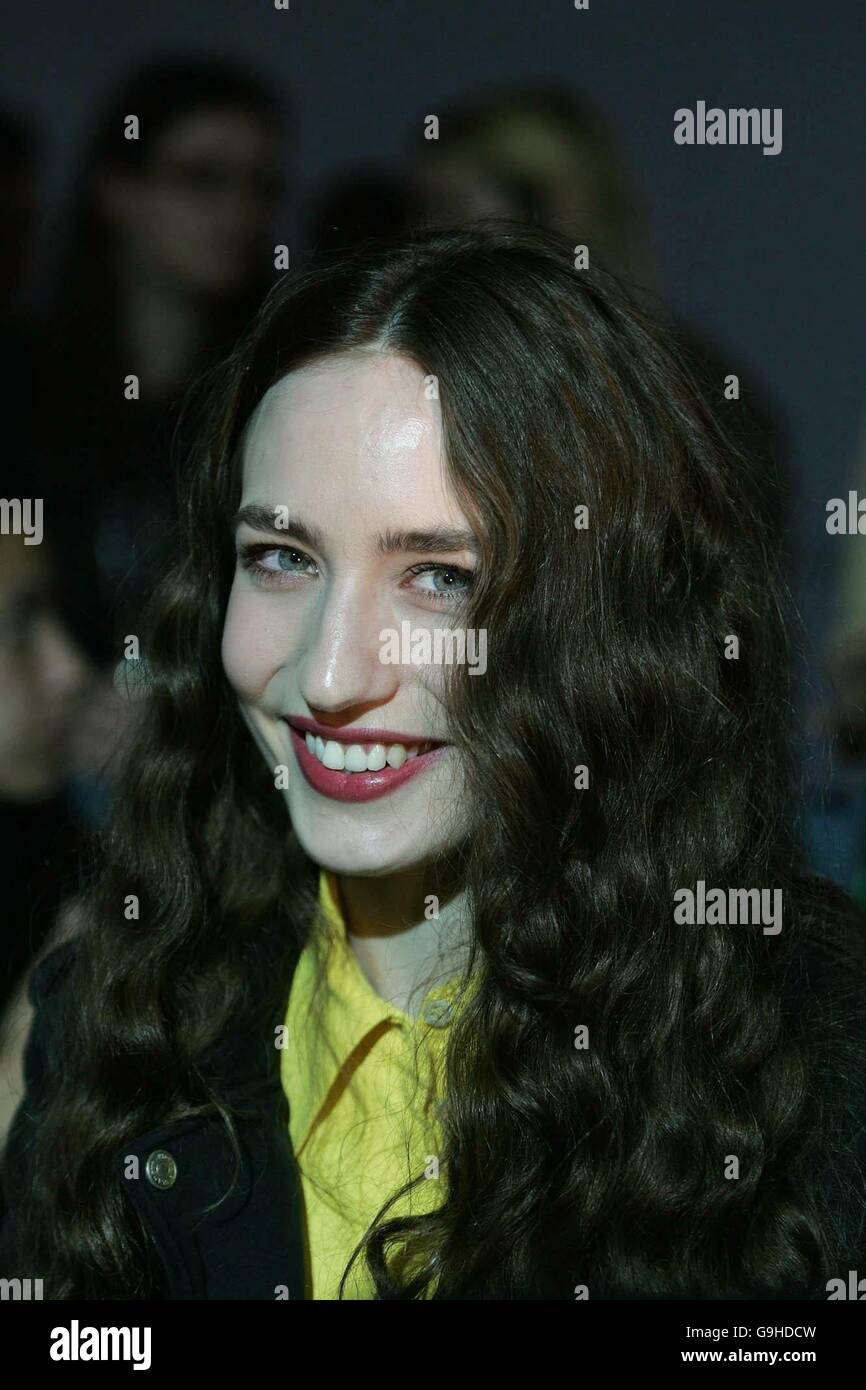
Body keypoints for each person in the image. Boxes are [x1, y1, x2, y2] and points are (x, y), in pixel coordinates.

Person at [1, 222, 864, 1300]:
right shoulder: (117, 1020)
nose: (327, 672)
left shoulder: (810, 1050)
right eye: (280, 558)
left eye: (438, 578)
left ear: (609, 621)